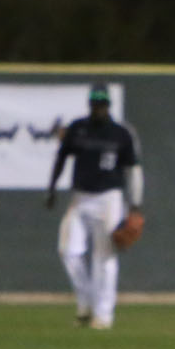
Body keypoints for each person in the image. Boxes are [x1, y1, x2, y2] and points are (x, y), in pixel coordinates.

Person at [44, 83, 143, 330]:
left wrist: (135, 204)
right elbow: (61, 158)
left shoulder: (121, 133)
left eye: (102, 104)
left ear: (109, 105)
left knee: (104, 257)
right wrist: (52, 188)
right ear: (90, 104)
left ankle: (104, 315)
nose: (99, 108)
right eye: (95, 103)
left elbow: (133, 170)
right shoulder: (78, 128)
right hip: (80, 197)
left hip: (109, 197)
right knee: (68, 250)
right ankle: (86, 304)